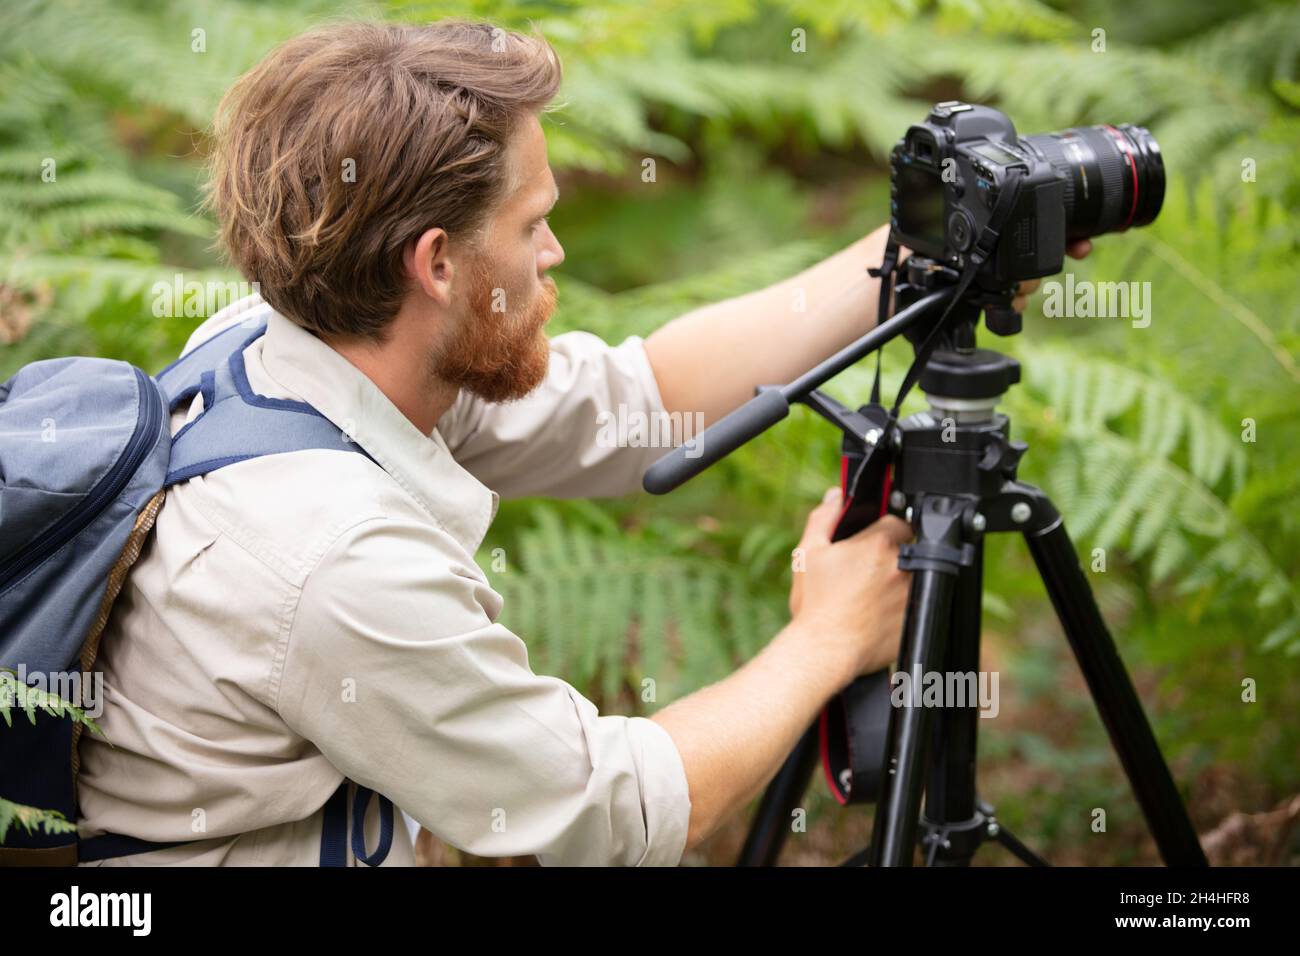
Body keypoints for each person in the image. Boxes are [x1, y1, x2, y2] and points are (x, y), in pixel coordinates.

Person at [76, 18, 1085, 866]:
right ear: (436, 264)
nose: (554, 250)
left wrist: (922, 242)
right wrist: (828, 635)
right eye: (533, 224)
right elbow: (607, 811)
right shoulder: (333, 563)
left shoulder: (280, 346)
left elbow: (643, 398)